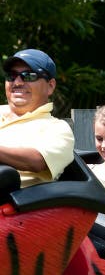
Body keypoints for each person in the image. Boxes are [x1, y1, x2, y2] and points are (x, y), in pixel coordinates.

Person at [0, 49, 74, 188]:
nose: (17, 82)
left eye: (28, 76)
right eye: (12, 76)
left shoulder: (57, 128)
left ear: (50, 86)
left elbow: (37, 161)